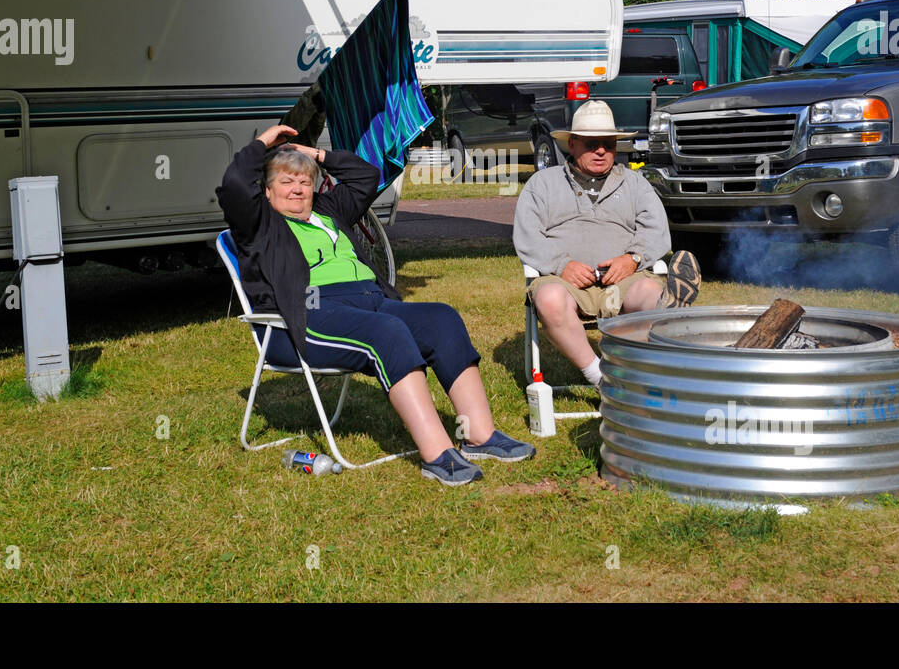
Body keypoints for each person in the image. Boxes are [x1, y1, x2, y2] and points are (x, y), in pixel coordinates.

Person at [217, 124, 534, 485]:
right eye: (286, 182)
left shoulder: (329, 209)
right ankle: (437, 454)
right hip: (305, 317)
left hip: (372, 301)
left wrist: (317, 154)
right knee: (387, 332)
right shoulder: (260, 224)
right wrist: (263, 143)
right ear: (268, 190)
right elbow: (234, 186)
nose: (297, 189)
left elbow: (366, 176)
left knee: (441, 318)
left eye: (304, 181)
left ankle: (481, 435)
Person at [513, 100, 701, 388]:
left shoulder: (635, 184)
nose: (601, 150)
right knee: (548, 298)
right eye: (591, 144)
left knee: (651, 293)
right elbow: (528, 236)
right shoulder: (543, 184)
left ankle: (666, 314)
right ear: (572, 145)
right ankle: (600, 376)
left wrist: (633, 259)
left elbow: (657, 232)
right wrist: (561, 265)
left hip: (624, 282)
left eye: (608, 143)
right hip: (566, 285)